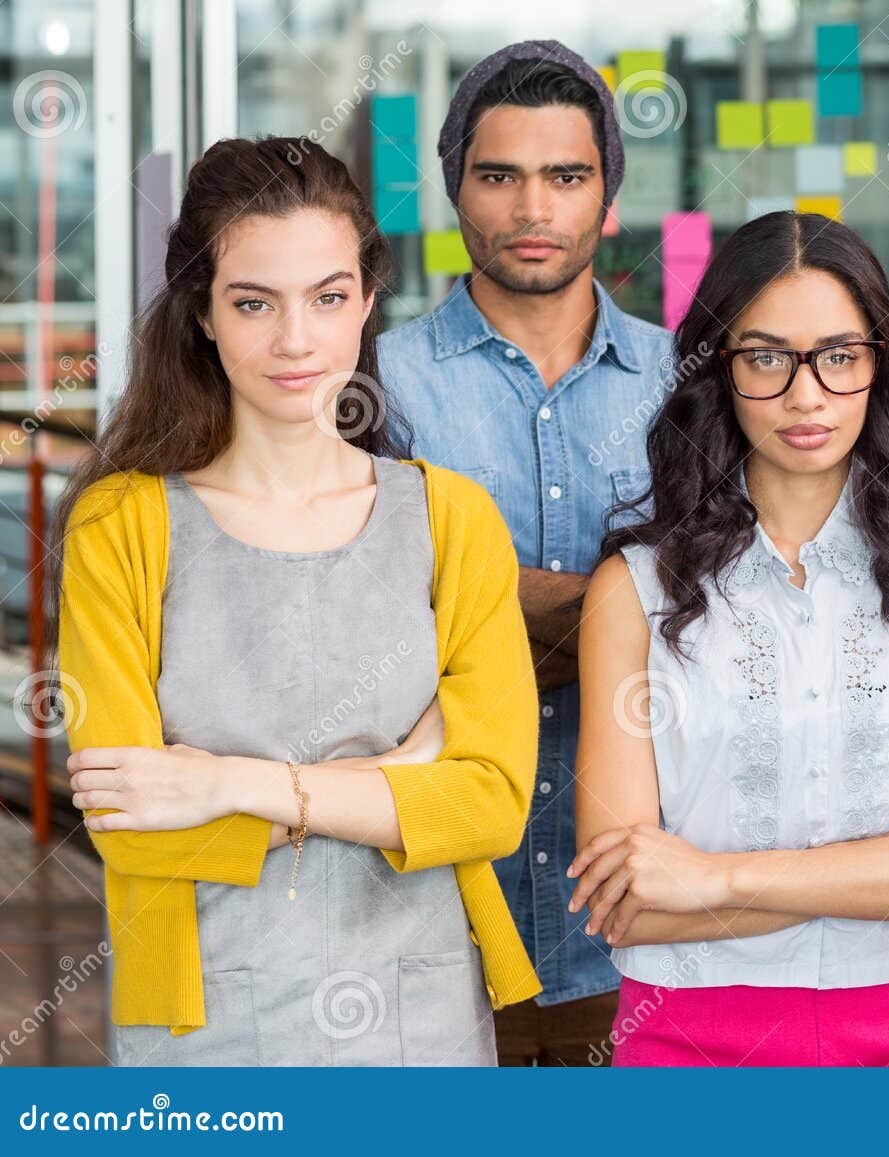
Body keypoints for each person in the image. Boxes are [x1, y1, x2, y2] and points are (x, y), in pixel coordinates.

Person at [54, 137, 540, 1065]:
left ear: (364, 300)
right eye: (252, 302)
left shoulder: (454, 521)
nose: (295, 340)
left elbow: (489, 807)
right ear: (200, 312)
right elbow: (135, 832)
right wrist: (400, 778)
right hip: (202, 1037)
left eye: (326, 297)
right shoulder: (121, 525)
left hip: (422, 1024)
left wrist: (227, 783)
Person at [565, 211, 889, 1066]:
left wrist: (716, 877)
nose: (806, 394)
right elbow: (627, 900)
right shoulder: (633, 592)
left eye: (839, 356)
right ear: (720, 370)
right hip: (686, 1041)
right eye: (766, 357)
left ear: (878, 365)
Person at [378, 41, 674, 1066]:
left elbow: (723, 622)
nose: (532, 207)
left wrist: (480, 612)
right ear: (455, 188)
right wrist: (625, 610)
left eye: (565, 176)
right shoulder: (375, 386)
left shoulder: (689, 387)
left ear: (608, 195)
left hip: (639, 939)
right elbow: (379, 633)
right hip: (435, 931)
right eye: (499, 175)